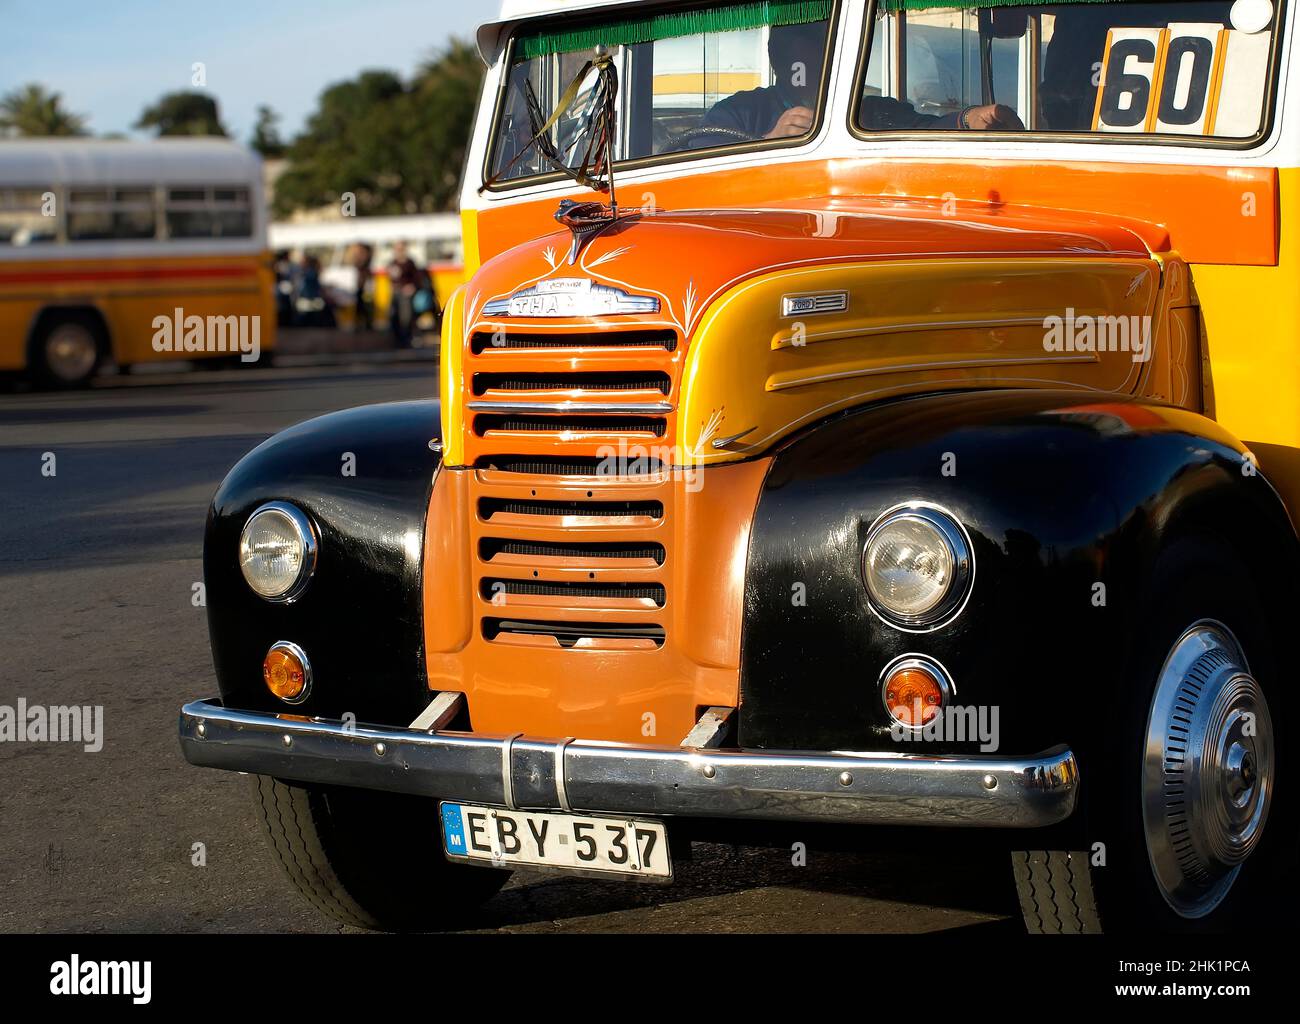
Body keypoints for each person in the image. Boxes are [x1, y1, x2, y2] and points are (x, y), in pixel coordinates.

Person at [696, 20, 1022, 144]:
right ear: (776, 54)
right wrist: (770, 140)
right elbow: (702, 169)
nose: (822, 49)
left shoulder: (871, 111)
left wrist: (968, 120)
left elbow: (919, 129)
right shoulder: (738, 113)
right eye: (810, 38)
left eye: (830, 39)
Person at [387, 240, 419, 349]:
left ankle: (407, 340)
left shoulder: (409, 263)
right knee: (394, 316)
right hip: (396, 294)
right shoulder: (392, 263)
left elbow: (416, 279)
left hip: (406, 295)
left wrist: (411, 287)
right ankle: (397, 341)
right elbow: (391, 279)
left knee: (406, 318)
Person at [348, 242, 374, 332]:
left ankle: (367, 325)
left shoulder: (366, 263)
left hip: (365, 288)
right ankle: (359, 325)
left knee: (366, 307)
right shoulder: (360, 263)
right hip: (359, 288)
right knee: (359, 308)